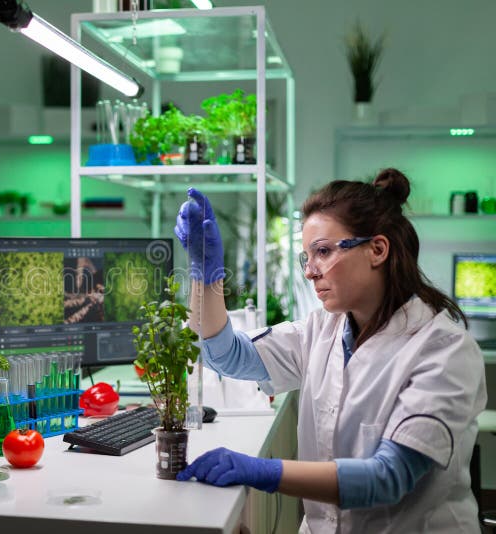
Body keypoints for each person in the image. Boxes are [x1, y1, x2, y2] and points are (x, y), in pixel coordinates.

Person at [174, 169, 487, 532]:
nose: (310, 272)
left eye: (322, 252)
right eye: (306, 257)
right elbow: (226, 355)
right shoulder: (322, 330)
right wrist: (205, 275)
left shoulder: (444, 349)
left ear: (378, 249)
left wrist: (263, 471)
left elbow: (388, 477)